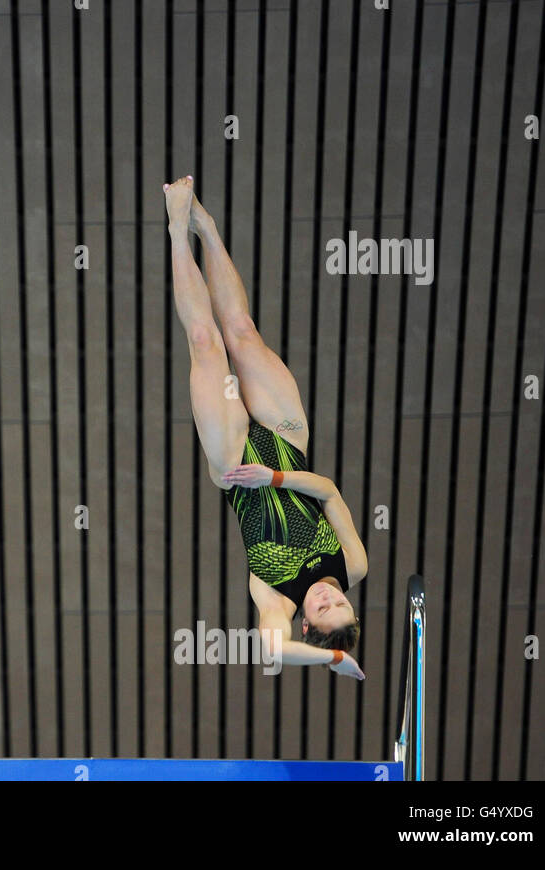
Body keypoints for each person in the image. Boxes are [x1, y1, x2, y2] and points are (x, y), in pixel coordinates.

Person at [163, 175, 367, 680]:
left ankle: (174, 227)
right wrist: (276, 477)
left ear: (305, 625)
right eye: (339, 601)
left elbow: (271, 653)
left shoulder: (275, 600)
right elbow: (329, 491)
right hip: (287, 442)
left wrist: (336, 658)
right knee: (242, 331)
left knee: (206, 341)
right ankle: (205, 227)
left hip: (233, 462)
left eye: (321, 608)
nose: (325, 594)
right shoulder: (353, 566)